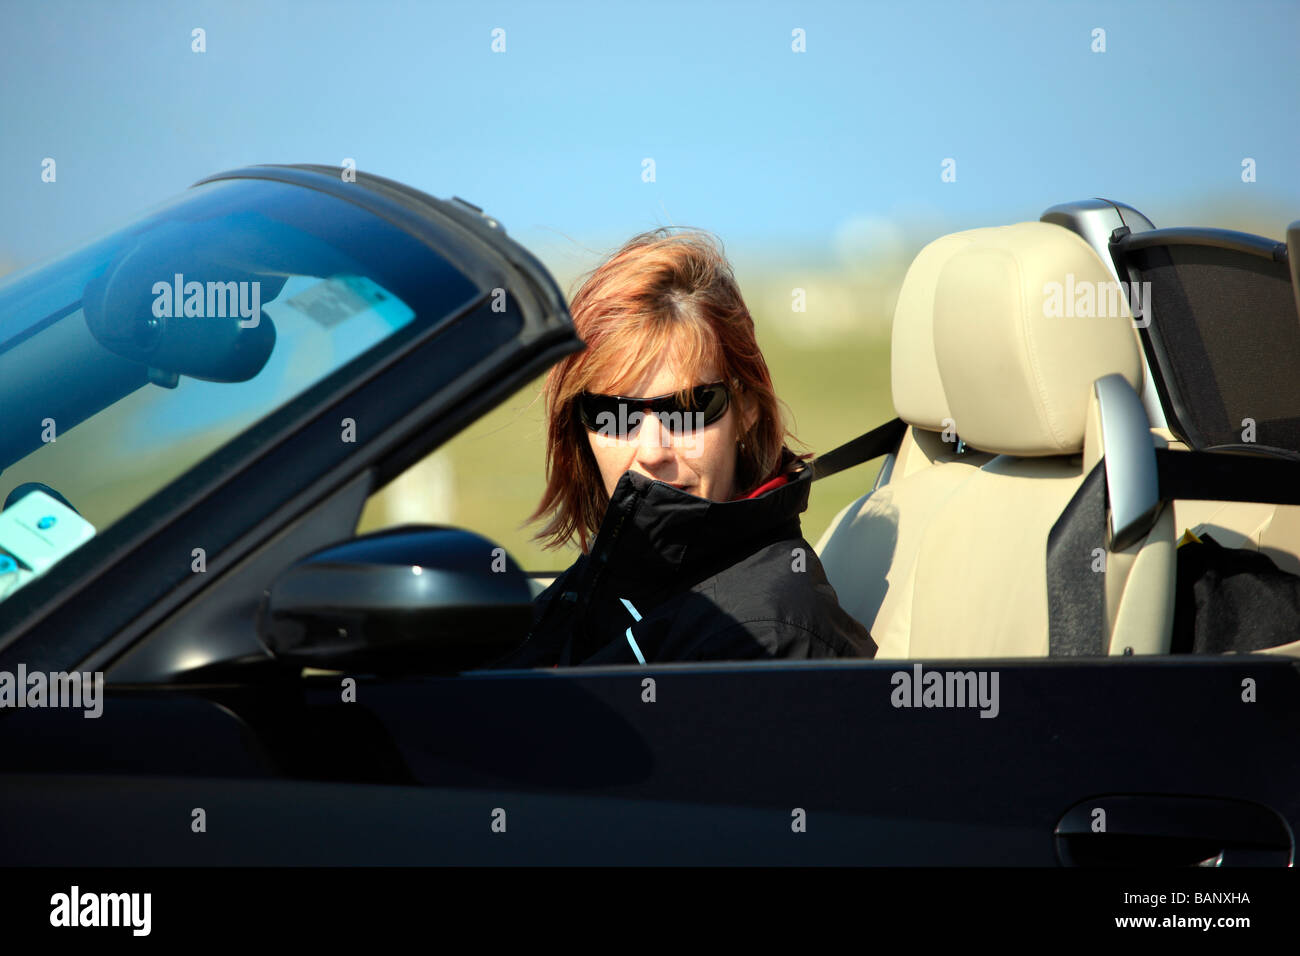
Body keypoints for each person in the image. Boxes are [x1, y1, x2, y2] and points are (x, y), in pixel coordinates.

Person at [491, 228, 876, 667]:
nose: (653, 450)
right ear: (577, 428)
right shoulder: (621, 571)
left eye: (690, 407)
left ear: (747, 407)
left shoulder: (762, 641)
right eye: (613, 414)